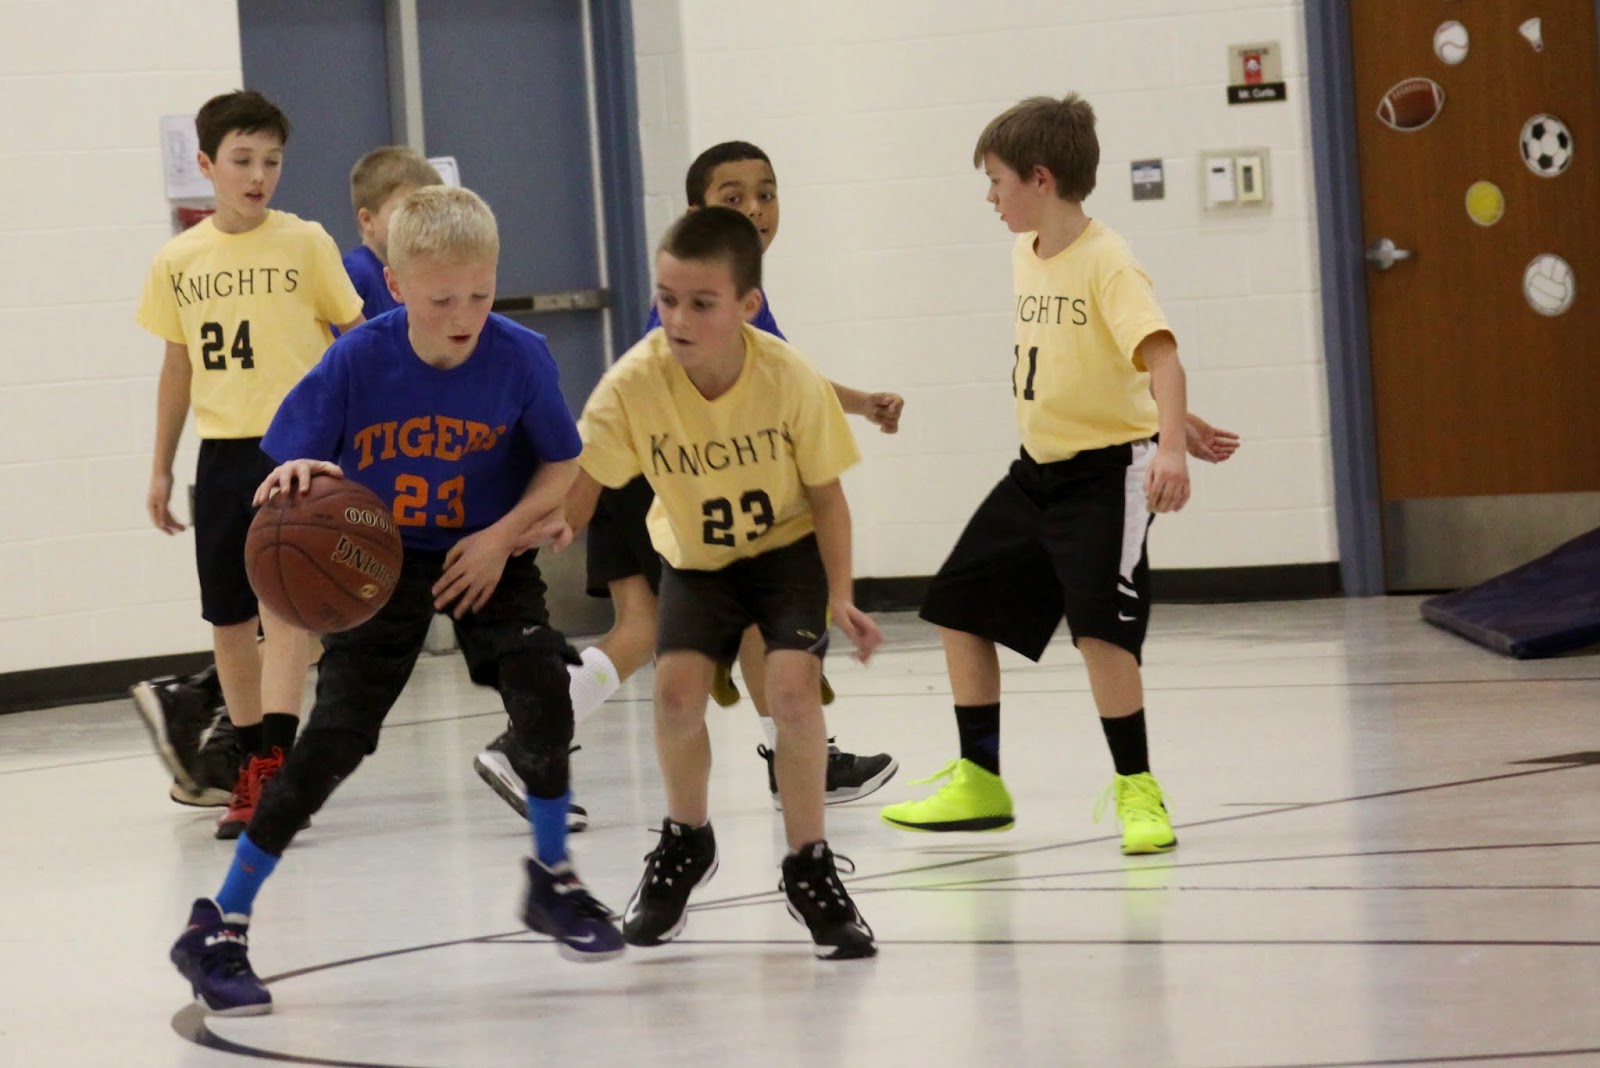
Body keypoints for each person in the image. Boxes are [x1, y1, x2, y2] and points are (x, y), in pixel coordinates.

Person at [168, 186, 622, 1017]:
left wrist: (505, 535)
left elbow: (562, 464)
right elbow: (291, 463)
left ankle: (553, 877)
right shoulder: (357, 359)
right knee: (332, 743)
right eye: (442, 299)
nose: (465, 314)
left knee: (543, 691)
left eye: (480, 293)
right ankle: (220, 922)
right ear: (396, 284)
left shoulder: (520, 356)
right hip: (374, 558)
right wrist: (297, 472)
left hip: (483, 551)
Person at [473, 141, 901, 821]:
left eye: (766, 193)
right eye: (734, 197)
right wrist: (547, 518)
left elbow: (788, 381)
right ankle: (530, 741)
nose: (755, 209)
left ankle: (532, 741)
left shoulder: (741, 301)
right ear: (698, 213)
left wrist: (857, 402)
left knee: (663, 630)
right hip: (657, 477)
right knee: (700, 624)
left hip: (665, 478)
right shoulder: (699, 304)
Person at [880, 94, 1235, 854]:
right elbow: (1108, 364)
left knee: (1101, 633)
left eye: (997, 181)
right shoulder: (1026, 252)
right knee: (958, 607)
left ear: (1040, 179)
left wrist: (1171, 447)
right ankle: (980, 780)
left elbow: (1164, 359)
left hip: (1107, 479)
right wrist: (1172, 418)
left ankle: (1139, 791)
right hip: (1035, 473)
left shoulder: (1109, 261)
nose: (990, 197)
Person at [570, 206, 881, 958]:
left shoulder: (787, 377)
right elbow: (577, 490)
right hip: (696, 561)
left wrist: (842, 593)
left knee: (792, 693)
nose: (677, 318)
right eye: (666, 299)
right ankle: (687, 842)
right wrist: (524, 535)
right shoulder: (632, 384)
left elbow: (828, 498)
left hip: (785, 553)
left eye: (701, 303)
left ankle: (809, 866)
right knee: (676, 695)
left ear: (747, 305)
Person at [132, 148, 446, 810]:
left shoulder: (376, 269)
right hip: (278, 455)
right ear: (369, 220)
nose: (418, 226)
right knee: (294, 607)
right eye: (405, 213)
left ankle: (221, 722)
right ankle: (228, 730)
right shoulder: (353, 271)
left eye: (271, 161)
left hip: (324, 456)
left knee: (315, 610)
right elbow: (349, 367)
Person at [132, 90, 364, 835]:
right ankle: (244, 758)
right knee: (230, 621)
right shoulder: (179, 259)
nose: (259, 175)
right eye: (242, 160)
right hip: (223, 455)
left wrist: (357, 439)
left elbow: (357, 337)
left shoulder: (305, 242)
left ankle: (272, 767)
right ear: (206, 165)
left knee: (284, 616)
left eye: (272, 161)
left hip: (295, 451)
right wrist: (161, 465)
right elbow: (178, 366)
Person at [342, 146, 444, 318]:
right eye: (406, 211)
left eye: (430, 212)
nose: (421, 223)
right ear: (367, 220)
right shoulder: (358, 271)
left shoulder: (412, 276)